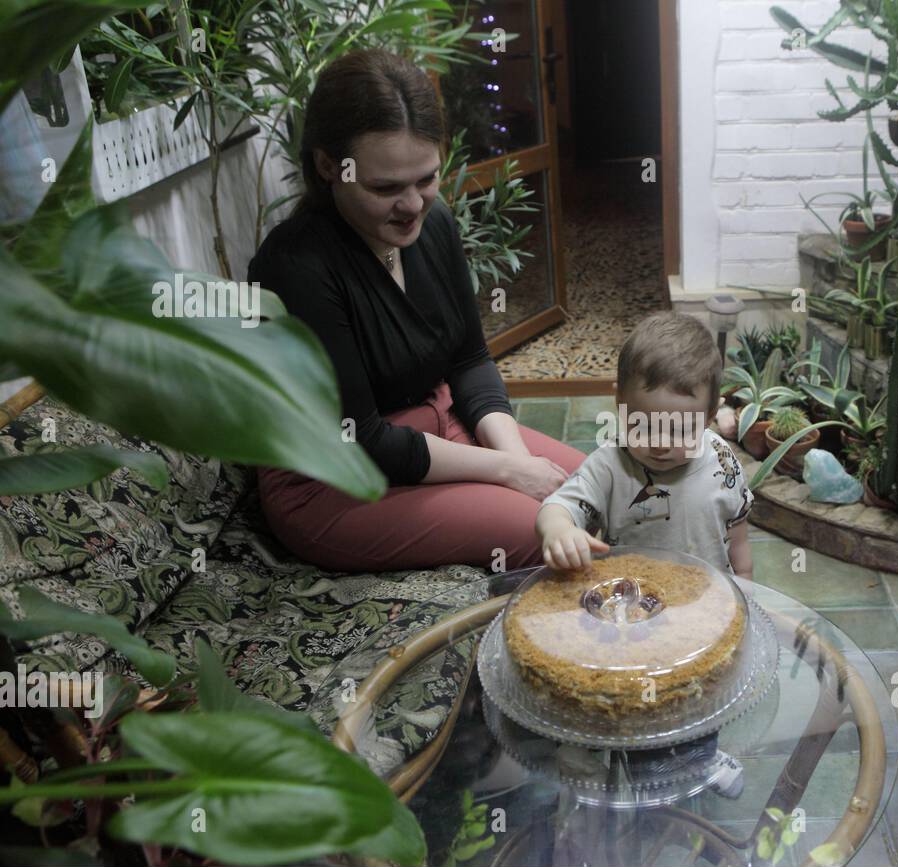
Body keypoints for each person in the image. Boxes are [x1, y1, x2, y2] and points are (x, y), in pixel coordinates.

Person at [246, 49, 584, 572]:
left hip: (436, 429)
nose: (413, 206)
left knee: (594, 496)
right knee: (539, 533)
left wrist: (516, 462)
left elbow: (470, 360)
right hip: (339, 478)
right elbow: (363, 438)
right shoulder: (295, 267)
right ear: (327, 166)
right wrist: (510, 474)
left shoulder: (436, 224)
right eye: (386, 188)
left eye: (426, 179)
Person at [536, 313, 754, 579]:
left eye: (681, 430)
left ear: (710, 416)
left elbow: (738, 533)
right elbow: (558, 507)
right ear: (620, 402)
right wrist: (559, 530)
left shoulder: (723, 461)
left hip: (708, 601)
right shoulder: (609, 465)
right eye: (645, 426)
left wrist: (745, 584)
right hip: (630, 602)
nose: (661, 444)